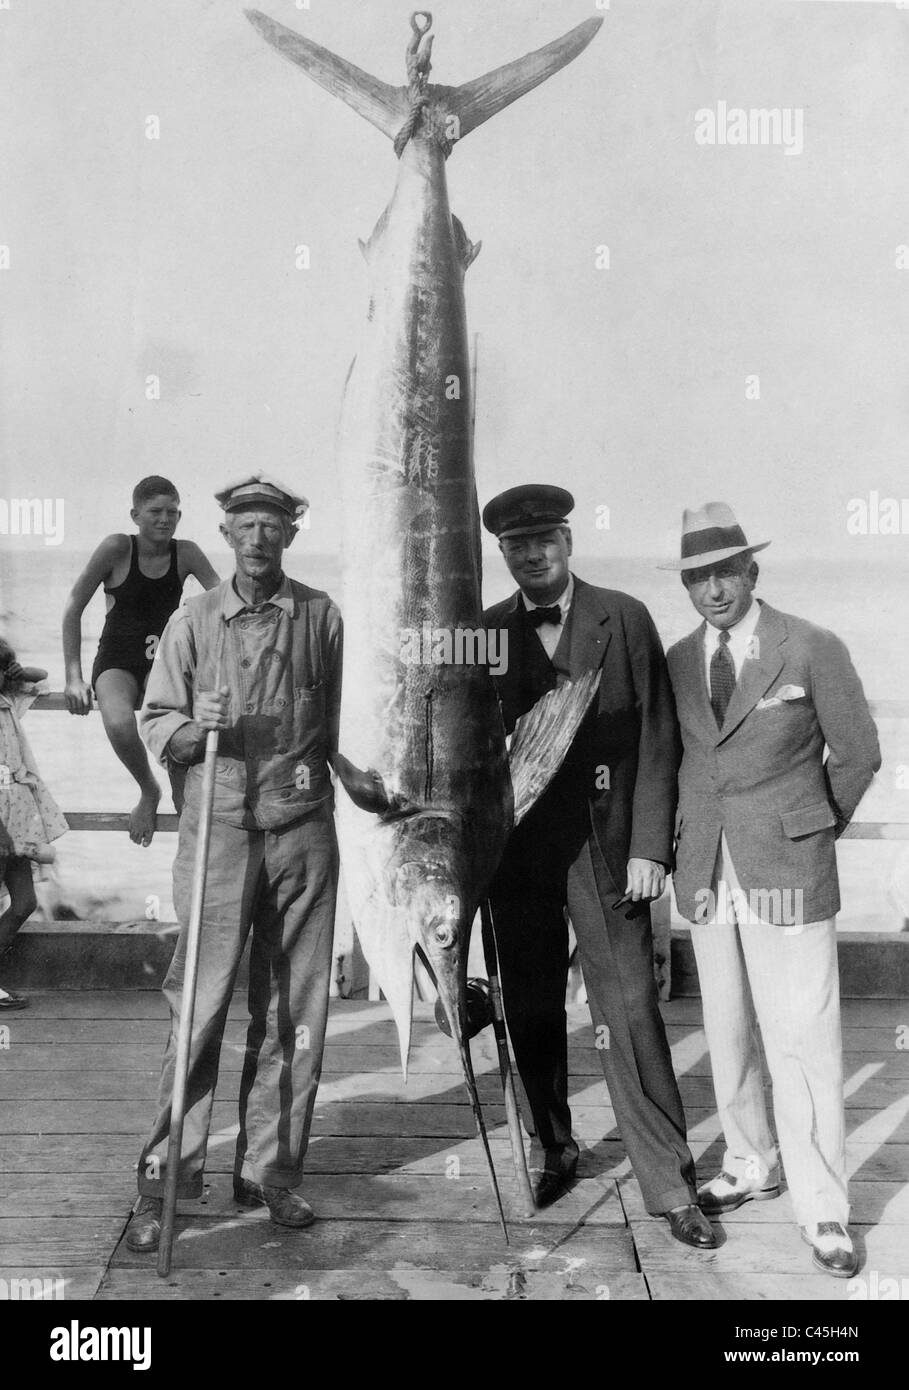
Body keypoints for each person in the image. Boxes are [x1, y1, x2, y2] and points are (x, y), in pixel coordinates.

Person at [482, 485, 715, 1249]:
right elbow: (458, 750)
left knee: (629, 1010)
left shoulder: (623, 617)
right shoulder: (482, 633)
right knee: (531, 1007)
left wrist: (651, 847)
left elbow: (657, 737)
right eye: (517, 546)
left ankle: (667, 1180)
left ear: (569, 541)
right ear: (502, 554)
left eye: (544, 539)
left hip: (608, 846)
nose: (532, 554)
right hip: (516, 855)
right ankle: (555, 1147)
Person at [124, 472, 343, 1253]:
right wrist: (190, 727)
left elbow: (337, 720)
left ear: (289, 533)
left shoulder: (321, 615)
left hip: (302, 832)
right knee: (200, 1010)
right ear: (226, 536)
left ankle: (269, 1174)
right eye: (245, 526)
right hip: (217, 827)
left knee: (296, 1013)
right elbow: (156, 719)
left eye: (272, 526)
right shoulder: (192, 620)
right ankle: (166, 1184)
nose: (258, 539)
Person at [663, 501, 881, 1278]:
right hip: (705, 872)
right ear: (686, 585)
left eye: (725, 572)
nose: (713, 589)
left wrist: (809, 830)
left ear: (752, 572)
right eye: (697, 577)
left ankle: (823, 1207)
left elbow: (856, 753)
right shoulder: (679, 659)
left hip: (787, 871)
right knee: (726, 1031)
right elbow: (680, 762)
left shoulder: (810, 646)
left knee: (804, 1039)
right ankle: (750, 1161)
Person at [62, 475, 219, 845]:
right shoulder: (117, 547)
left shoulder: (188, 552)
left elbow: (224, 601)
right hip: (117, 661)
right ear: (135, 514)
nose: (165, 519)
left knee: (182, 724)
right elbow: (72, 609)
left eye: (173, 512)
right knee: (117, 720)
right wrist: (73, 677)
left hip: (163, 663)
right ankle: (148, 790)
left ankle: (188, 802)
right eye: (155, 512)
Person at [0, 639, 68, 1009]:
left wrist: (19, 671)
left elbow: (40, 681)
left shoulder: (9, 701)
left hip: (18, 816)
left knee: (24, 902)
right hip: (0, 821)